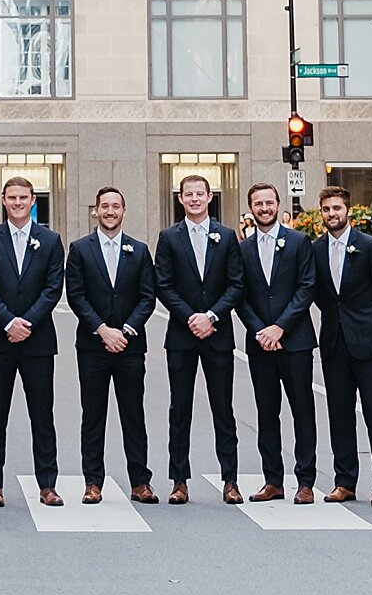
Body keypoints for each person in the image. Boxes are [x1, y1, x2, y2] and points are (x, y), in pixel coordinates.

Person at [0, 176, 66, 507]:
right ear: (3, 200)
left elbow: (53, 287)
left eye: (23, 197)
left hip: (38, 340)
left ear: (32, 200)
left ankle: (47, 484)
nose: (17, 202)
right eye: (11, 197)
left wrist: (27, 322)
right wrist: (8, 322)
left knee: (42, 415)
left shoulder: (51, 240)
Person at [153, 174, 245, 504]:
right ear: (180, 199)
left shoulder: (226, 236)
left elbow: (236, 284)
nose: (194, 199)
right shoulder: (168, 237)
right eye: (188, 194)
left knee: (224, 409)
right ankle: (179, 480)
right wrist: (190, 316)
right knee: (180, 409)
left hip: (218, 334)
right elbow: (162, 284)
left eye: (199, 194)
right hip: (182, 334)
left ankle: (230, 480)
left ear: (209, 197)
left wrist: (212, 316)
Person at [63, 187, 159, 502]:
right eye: (104, 206)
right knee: (93, 415)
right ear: (96, 211)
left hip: (130, 347)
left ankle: (140, 482)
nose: (110, 211)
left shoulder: (139, 249)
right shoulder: (79, 249)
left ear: (123, 211)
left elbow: (148, 296)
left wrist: (127, 330)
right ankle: (93, 482)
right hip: (93, 346)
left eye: (115, 206)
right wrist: (103, 330)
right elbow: (76, 295)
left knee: (133, 415)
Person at [311, 185, 372, 504]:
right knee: (340, 414)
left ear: (348, 211)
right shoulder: (316, 249)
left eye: (337, 208)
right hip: (334, 343)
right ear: (320, 213)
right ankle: (345, 481)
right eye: (326, 209)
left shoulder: (370, 246)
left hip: (369, 343)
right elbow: (319, 294)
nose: (332, 214)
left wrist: (367, 320)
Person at [236, 180, 318, 503]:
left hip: (294, 342)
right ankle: (273, 480)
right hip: (260, 345)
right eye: (258, 204)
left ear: (278, 206)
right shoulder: (242, 249)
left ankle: (306, 480)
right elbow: (239, 295)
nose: (264, 208)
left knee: (302, 410)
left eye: (269, 203)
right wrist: (261, 330)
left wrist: (280, 327)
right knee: (266, 412)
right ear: (251, 208)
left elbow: (307, 287)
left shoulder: (299, 242)